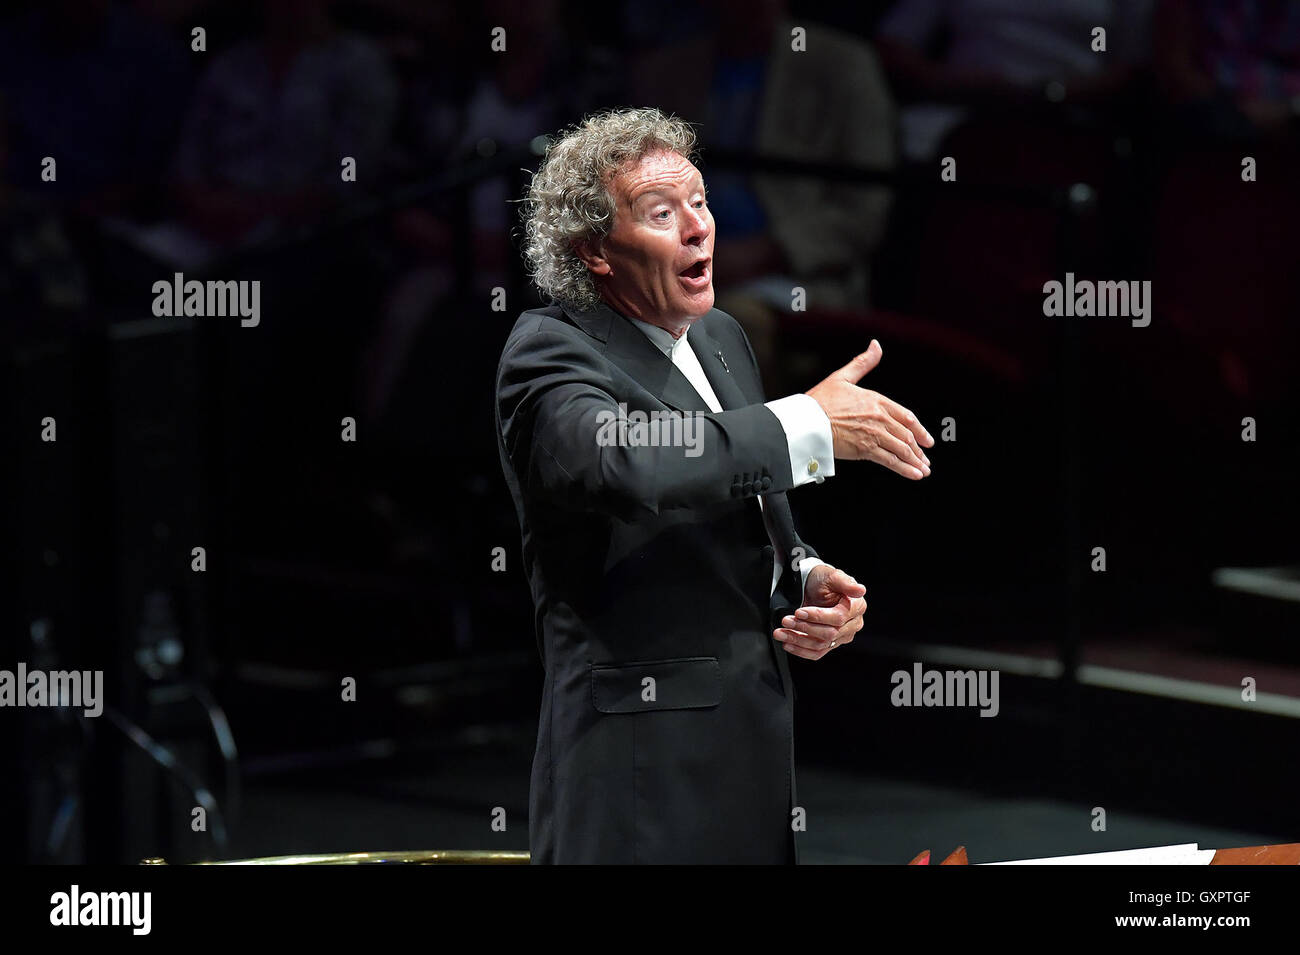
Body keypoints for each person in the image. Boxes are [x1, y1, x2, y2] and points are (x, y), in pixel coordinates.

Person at [495, 108, 933, 864]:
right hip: (638, 766)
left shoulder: (724, 338)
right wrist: (806, 424)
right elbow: (629, 464)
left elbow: (735, 497)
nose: (699, 228)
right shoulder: (551, 350)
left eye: (699, 202)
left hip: (751, 745)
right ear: (597, 249)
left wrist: (800, 574)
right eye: (662, 213)